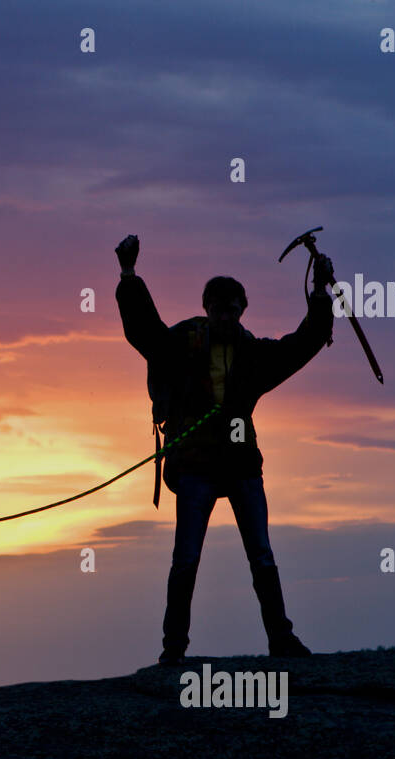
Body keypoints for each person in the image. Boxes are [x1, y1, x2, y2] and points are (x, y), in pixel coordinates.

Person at [114, 234, 334, 664]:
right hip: (195, 466)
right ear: (207, 308)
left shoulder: (253, 355)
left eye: (233, 310)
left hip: (240, 465)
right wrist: (128, 275)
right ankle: (173, 651)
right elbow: (145, 333)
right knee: (186, 560)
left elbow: (303, 343)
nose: (226, 316)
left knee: (262, 556)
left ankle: (281, 641)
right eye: (219, 309)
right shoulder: (183, 344)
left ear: (242, 312)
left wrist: (321, 293)